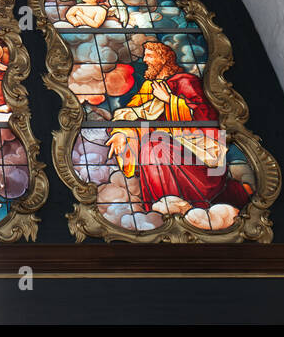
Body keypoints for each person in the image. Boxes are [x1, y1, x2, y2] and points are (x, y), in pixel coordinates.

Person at [106, 41, 249, 211]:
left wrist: (170, 100)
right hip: (161, 150)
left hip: (195, 153)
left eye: (149, 56)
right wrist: (121, 133)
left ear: (163, 59)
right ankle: (162, 209)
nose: (145, 60)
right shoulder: (148, 88)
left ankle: (172, 207)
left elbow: (205, 115)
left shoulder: (185, 81)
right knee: (152, 145)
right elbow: (134, 113)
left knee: (154, 144)